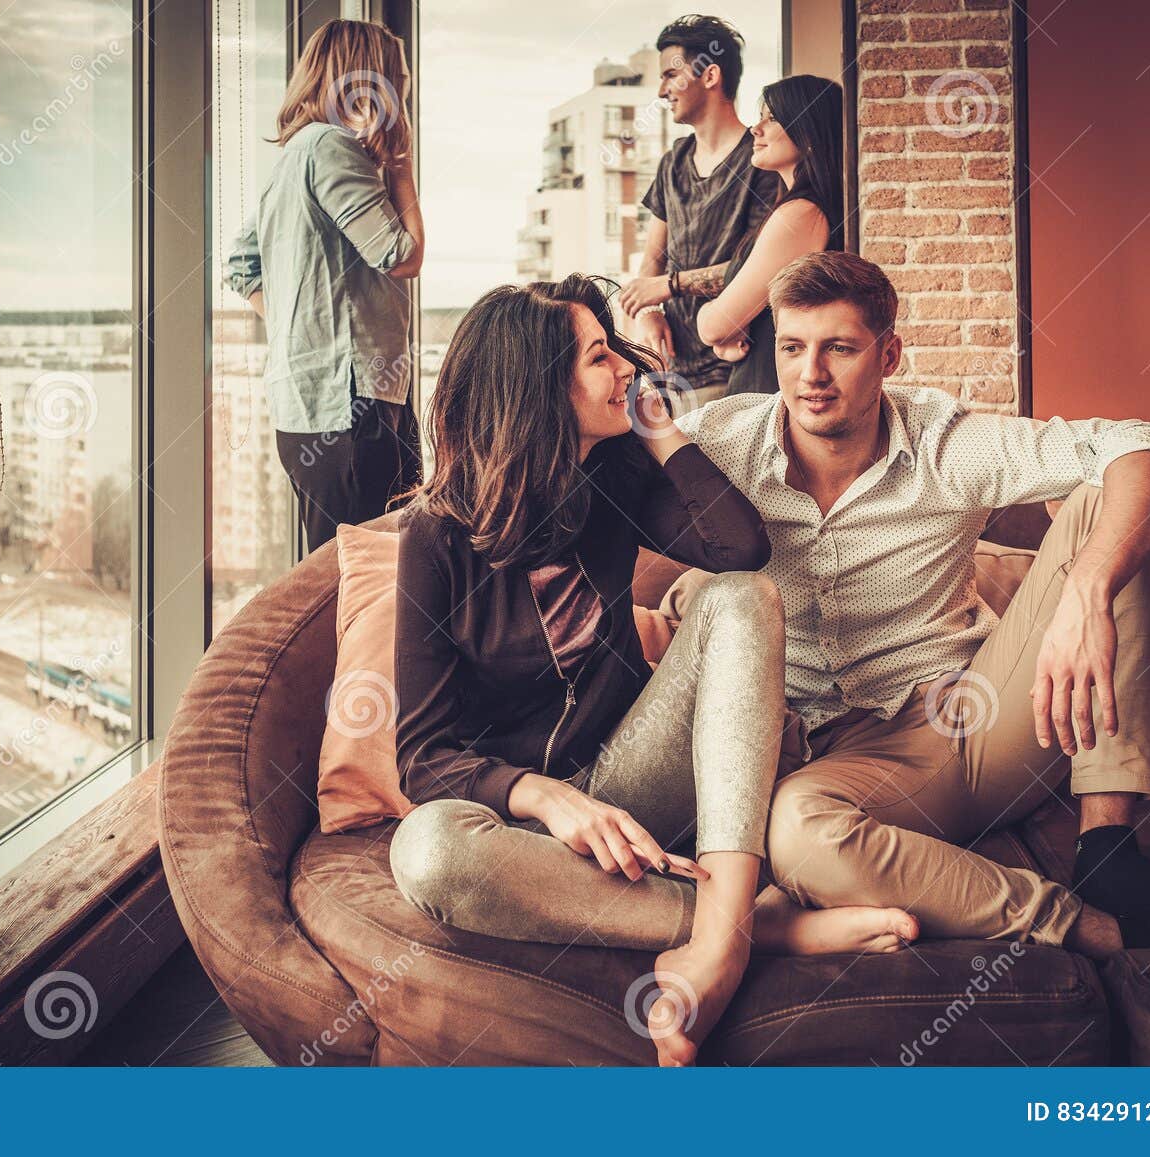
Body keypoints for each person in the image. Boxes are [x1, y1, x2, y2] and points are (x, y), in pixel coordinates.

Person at [671, 250, 1150, 961]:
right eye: (792, 348)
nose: (810, 375)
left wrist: (1089, 590)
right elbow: (602, 482)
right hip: (836, 766)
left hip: (976, 723)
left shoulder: (948, 445)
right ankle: (1081, 925)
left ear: (889, 355)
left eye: (839, 348)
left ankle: (1108, 848)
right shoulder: (721, 442)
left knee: (1111, 498)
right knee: (796, 830)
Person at [387, 274, 918, 1068]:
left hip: (637, 776)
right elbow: (421, 755)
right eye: (600, 358)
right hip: (530, 836)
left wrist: (664, 436)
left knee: (740, 599)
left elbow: (740, 552)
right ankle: (749, 922)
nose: (625, 371)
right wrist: (543, 796)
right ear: (538, 389)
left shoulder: (614, 479)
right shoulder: (435, 538)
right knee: (427, 851)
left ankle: (721, 932)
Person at [225, 19, 424, 553]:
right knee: (373, 577)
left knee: (343, 573)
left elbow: (241, 265)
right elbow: (402, 255)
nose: (403, 96)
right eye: (397, 81)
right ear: (366, 81)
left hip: (311, 406)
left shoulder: (293, 155)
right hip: (351, 404)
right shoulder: (335, 148)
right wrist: (401, 164)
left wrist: (300, 329)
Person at [618, 16, 781, 405]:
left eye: (671, 75)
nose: (661, 90)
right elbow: (650, 266)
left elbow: (758, 272)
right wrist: (648, 312)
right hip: (671, 377)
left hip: (736, 377)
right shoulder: (672, 162)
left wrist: (666, 286)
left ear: (710, 75)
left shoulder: (761, 161)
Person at [696, 75, 845, 396]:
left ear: (808, 132)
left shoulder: (801, 215)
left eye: (772, 117)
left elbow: (714, 325)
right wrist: (729, 332)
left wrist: (711, 318)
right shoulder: (799, 209)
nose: (756, 128)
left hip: (769, 396)